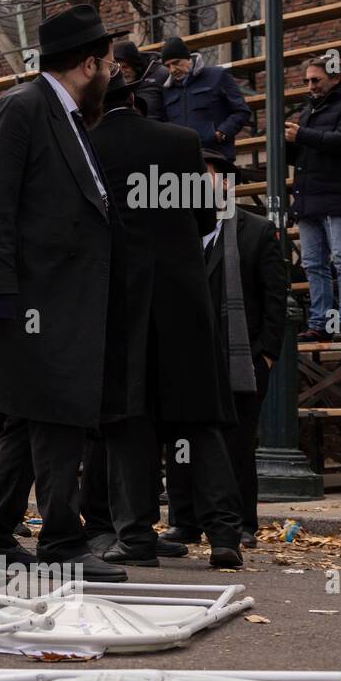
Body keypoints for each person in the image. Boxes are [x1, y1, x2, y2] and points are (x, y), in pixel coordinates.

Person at [0, 3, 133, 582]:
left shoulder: (61, 115)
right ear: (89, 64)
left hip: (56, 299)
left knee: (28, 418)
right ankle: (63, 541)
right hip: (34, 302)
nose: (114, 75)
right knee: (59, 416)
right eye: (110, 66)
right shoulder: (23, 107)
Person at [87, 70, 244, 569]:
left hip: (122, 304)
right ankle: (225, 538)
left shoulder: (86, 148)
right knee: (200, 420)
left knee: (129, 421)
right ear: (134, 99)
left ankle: (135, 536)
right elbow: (203, 217)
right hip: (182, 303)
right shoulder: (179, 141)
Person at [166, 150, 287, 550]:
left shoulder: (256, 230)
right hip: (188, 359)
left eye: (205, 175)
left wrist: (265, 354)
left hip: (241, 361)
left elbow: (275, 300)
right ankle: (185, 522)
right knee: (182, 442)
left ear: (226, 183)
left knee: (236, 446)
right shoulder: (177, 230)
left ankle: (241, 523)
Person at [287, 54, 341, 343]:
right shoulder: (308, 110)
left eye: (316, 80)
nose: (310, 85)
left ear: (336, 78)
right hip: (311, 197)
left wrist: (302, 135)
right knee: (313, 264)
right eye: (307, 80)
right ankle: (320, 322)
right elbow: (303, 154)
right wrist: (288, 143)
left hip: (338, 196)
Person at [160, 36, 252, 161]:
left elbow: (242, 111)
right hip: (182, 161)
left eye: (176, 63)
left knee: (218, 182)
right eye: (167, 66)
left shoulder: (218, 75)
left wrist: (221, 133)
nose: (172, 70)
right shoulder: (167, 90)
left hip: (217, 158)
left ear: (188, 59)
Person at [112, 40, 168, 121]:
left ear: (135, 65)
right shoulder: (116, 84)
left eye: (125, 67)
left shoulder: (161, 74)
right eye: (118, 68)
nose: (122, 72)